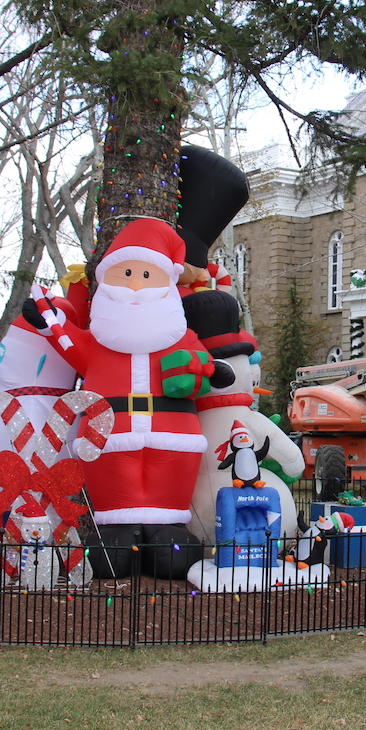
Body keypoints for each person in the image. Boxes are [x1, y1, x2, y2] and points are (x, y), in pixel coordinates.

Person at [28, 218, 218, 579]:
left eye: (146, 276)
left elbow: (205, 366)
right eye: (126, 272)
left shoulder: (182, 336)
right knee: (116, 490)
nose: (134, 285)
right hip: (108, 434)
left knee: (169, 488)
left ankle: (169, 533)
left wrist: (209, 369)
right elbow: (69, 342)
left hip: (173, 433)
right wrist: (46, 323)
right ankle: (115, 534)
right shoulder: (97, 341)